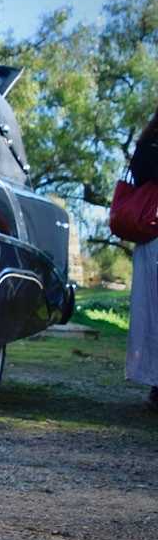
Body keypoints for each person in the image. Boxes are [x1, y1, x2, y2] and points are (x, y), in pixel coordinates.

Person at [127, 103, 158, 411]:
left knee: (152, 313)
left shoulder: (145, 146)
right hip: (153, 234)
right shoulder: (149, 148)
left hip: (149, 236)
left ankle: (154, 383)